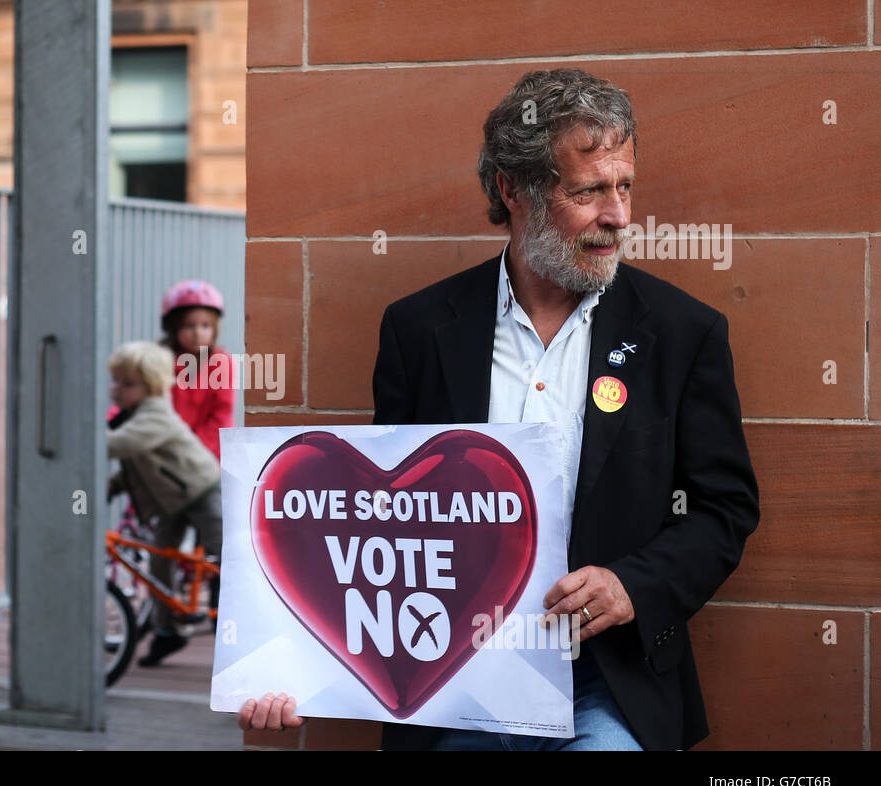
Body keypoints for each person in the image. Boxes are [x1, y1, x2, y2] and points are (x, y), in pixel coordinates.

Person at [240, 68, 759, 750]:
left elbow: (725, 508)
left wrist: (633, 584)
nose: (618, 217)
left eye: (624, 186)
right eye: (588, 191)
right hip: (454, 687)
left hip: (607, 687)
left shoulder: (682, 332)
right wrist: (295, 666)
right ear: (514, 190)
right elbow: (377, 527)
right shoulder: (420, 330)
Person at [106, 341, 223, 667]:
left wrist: (81, 436)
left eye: (127, 384)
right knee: (160, 562)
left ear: (153, 386)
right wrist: (112, 485)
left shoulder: (155, 413)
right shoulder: (133, 414)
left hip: (201, 490)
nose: (117, 390)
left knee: (227, 551)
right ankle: (167, 629)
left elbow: (124, 445)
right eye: (115, 381)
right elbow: (137, 464)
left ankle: (234, 605)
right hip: (173, 500)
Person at [159, 280, 236, 462]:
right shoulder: (160, 360)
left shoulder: (221, 362)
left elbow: (221, 415)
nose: (197, 332)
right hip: (168, 453)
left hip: (210, 456)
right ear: (173, 328)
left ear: (215, 329)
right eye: (188, 326)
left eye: (205, 325)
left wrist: (192, 450)